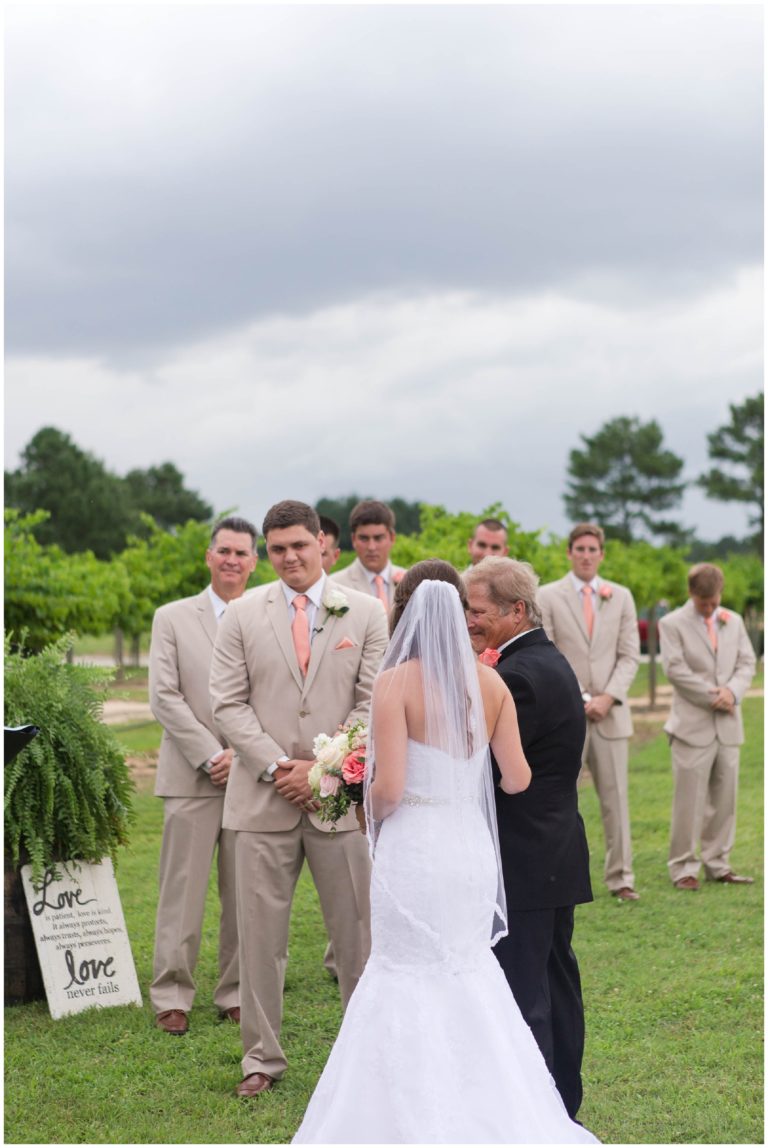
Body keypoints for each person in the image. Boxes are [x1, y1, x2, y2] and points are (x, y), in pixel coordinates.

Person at [294, 560, 596, 1144]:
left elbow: (386, 789)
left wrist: (365, 809)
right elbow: (516, 780)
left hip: (416, 848)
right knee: (470, 970)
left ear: (405, 616)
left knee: (403, 970)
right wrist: (464, 783)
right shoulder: (492, 684)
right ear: (459, 617)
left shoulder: (394, 684)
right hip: (470, 852)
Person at [209, 500, 389, 1097]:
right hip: (261, 802)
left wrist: (322, 770)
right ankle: (260, 1059)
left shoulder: (365, 613)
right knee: (260, 937)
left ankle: (366, 1055)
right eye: (278, 548)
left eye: (300, 546)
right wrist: (275, 766)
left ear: (322, 546)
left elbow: (373, 703)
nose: (290, 558)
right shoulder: (241, 614)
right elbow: (226, 703)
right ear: (267, 551)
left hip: (338, 804)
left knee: (357, 935)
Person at [464, 556, 593, 1121]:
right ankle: (563, 1101)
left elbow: (484, 772)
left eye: (477, 610)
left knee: (527, 992)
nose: (468, 620)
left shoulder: (517, 677)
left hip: (525, 858)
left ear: (516, 610)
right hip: (554, 851)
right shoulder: (546, 658)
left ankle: (537, 1115)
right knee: (555, 979)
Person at [148, 515, 257, 1035]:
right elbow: (163, 696)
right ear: (208, 556)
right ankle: (172, 993)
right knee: (182, 890)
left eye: (242, 552)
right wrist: (210, 754)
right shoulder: (171, 617)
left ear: (254, 561)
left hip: (249, 777)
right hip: (190, 777)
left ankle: (235, 991)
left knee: (243, 892)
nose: (232, 560)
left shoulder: (267, 616)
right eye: (224, 551)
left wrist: (240, 755)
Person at [539, 523, 641, 901]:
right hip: (567, 716)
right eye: (579, 548)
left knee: (616, 800)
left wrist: (608, 697)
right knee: (561, 799)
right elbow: (548, 650)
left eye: (592, 549)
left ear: (601, 554)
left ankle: (622, 878)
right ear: (569, 553)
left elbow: (631, 655)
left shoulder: (622, 597)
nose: (585, 555)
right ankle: (558, 878)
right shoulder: (548, 595)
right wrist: (581, 697)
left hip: (612, 715)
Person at [659, 562, 756, 891]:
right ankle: (684, 867)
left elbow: (747, 661)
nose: (710, 608)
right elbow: (674, 668)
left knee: (725, 799)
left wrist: (733, 692)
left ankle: (718, 862)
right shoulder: (671, 623)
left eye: (714, 601)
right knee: (689, 800)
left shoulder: (735, 620)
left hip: (729, 724)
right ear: (691, 594)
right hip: (691, 726)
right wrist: (712, 695)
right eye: (704, 603)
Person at [330, 499, 406, 608]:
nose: (371, 547)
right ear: (353, 539)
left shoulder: (411, 583)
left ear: (392, 538)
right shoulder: (334, 585)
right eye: (364, 538)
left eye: (378, 538)